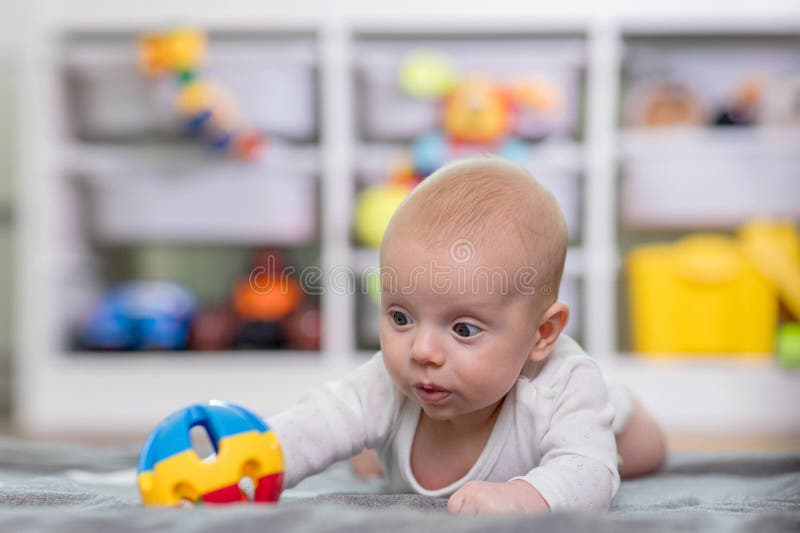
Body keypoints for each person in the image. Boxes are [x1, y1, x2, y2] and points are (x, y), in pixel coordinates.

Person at [267, 156, 666, 514]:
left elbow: (590, 474)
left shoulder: (560, 386)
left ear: (541, 334)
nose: (422, 351)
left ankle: (619, 405)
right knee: (359, 433)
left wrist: (521, 496)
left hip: (605, 422)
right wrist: (262, 452)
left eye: (462, 329)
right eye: (402, 318)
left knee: (644, 451)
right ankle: (377, 448)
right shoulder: (389, 381)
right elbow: (319, 419)